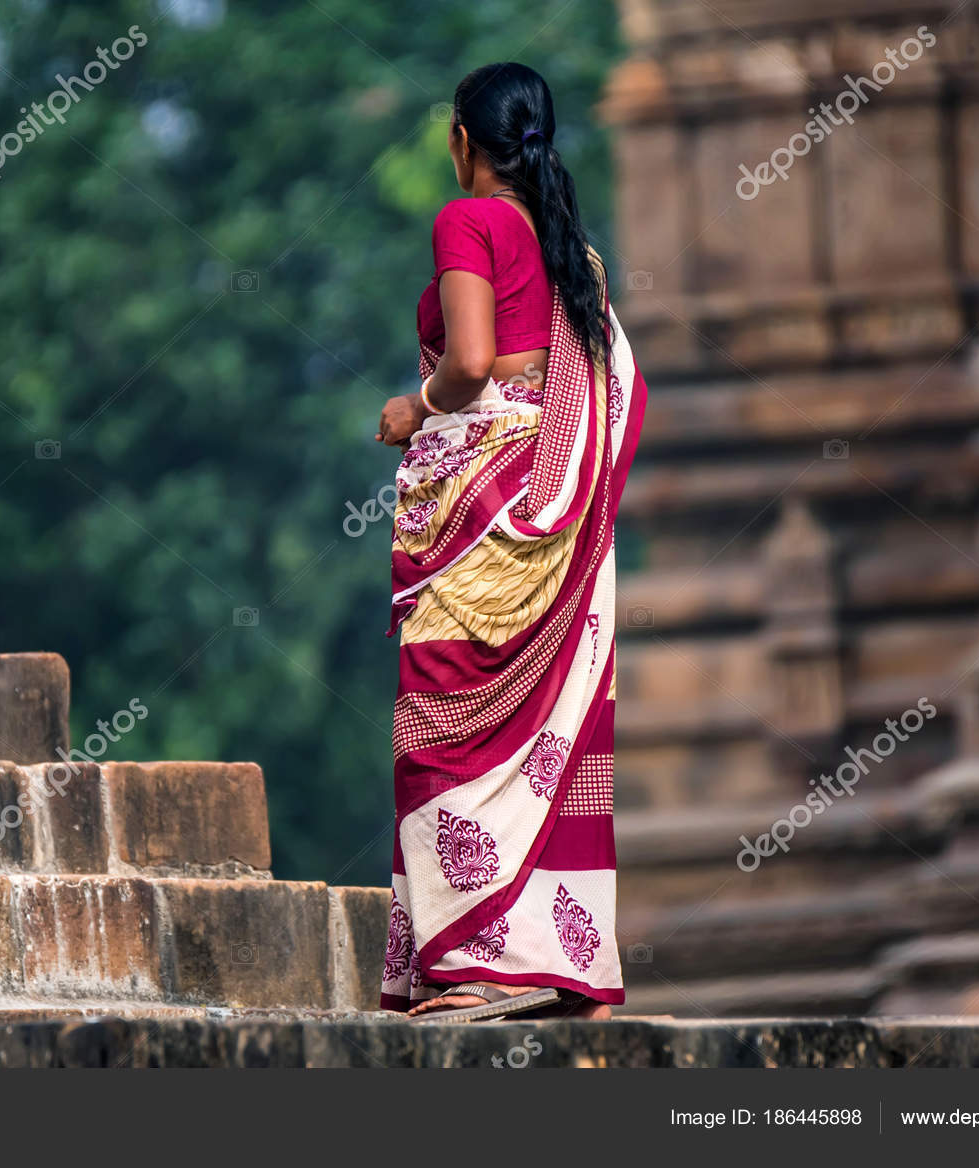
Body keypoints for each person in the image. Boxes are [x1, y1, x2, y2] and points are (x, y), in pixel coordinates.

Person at [373, 61, 646, 1022]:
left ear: (461, 141)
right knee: (550, 731)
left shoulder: (470, 222)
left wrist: (417, 407)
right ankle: (556, 961)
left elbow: (474, 362)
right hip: (554, 503)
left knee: (442, 719)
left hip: (483, 502)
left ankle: (482, 962)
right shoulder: (571, 246)